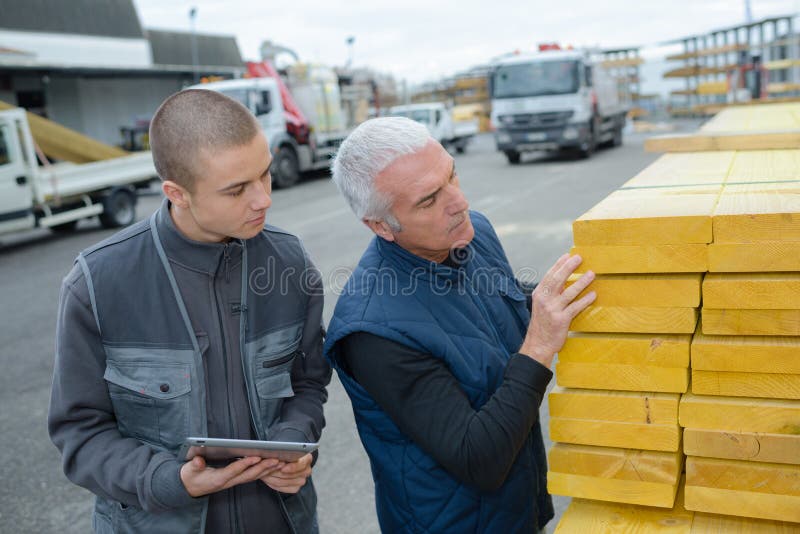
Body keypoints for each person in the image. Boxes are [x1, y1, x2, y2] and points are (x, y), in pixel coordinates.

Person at [48, 89, 331, 534]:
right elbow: (80, 434)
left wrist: (295, 445)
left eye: (265, 174)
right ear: (177, 193)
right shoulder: (98, 284)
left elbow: (309, 384)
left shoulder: (289, 263)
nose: (263, 199)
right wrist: (165, 480)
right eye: (237, 189)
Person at [323, 117, 596, 533]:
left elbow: (500, 302)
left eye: (452, 175)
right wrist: (539, 345)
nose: (458, 202)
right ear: (380, 226)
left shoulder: (471, 234)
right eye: (428, 200)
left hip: (519, 508)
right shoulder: (374, 331)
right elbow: (479, 459)